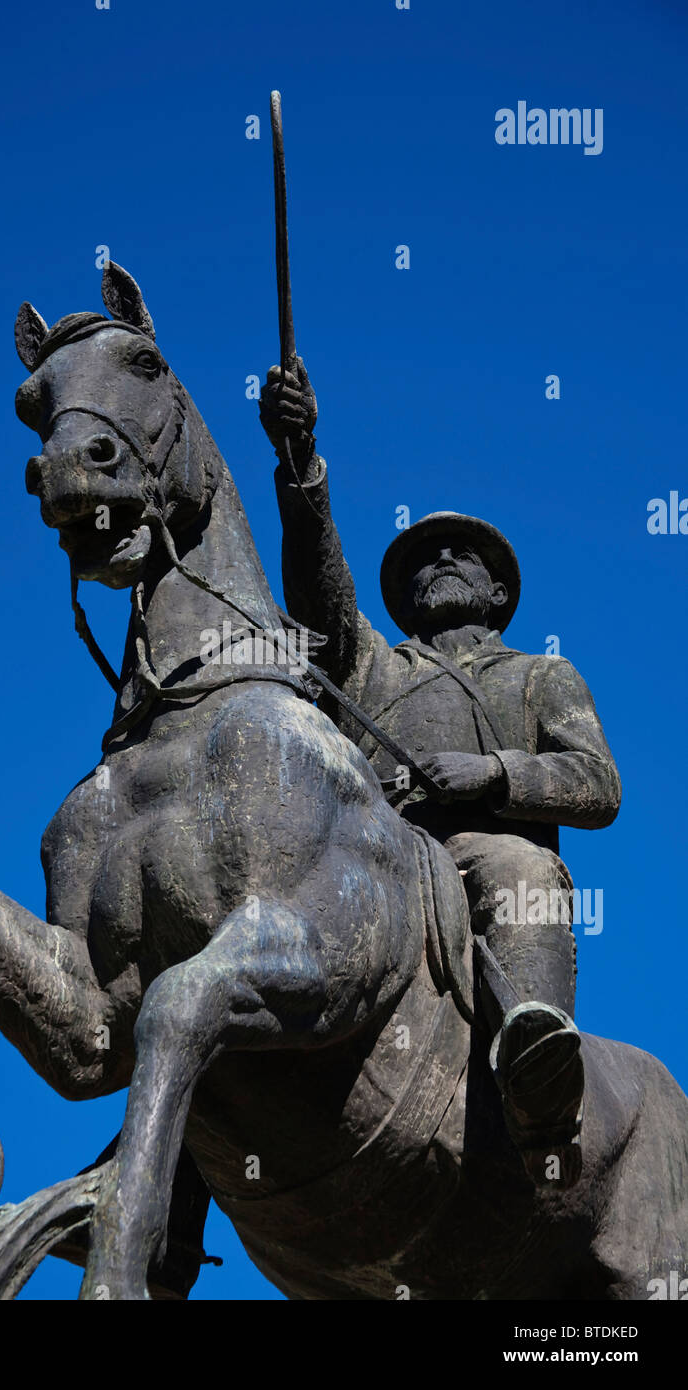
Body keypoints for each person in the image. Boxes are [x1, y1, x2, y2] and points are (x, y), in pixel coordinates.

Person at [259, 357, 621, 1185]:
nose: (443, 561)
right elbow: (317, 587)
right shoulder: (370, 666)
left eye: (463, 555)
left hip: (473, 858)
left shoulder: (540, 675)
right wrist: (298, 462)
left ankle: (535, 1068)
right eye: (425, 558)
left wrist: (489, 775)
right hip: (367, 866)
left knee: (520, 865)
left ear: (496, 593)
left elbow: (596, 785)